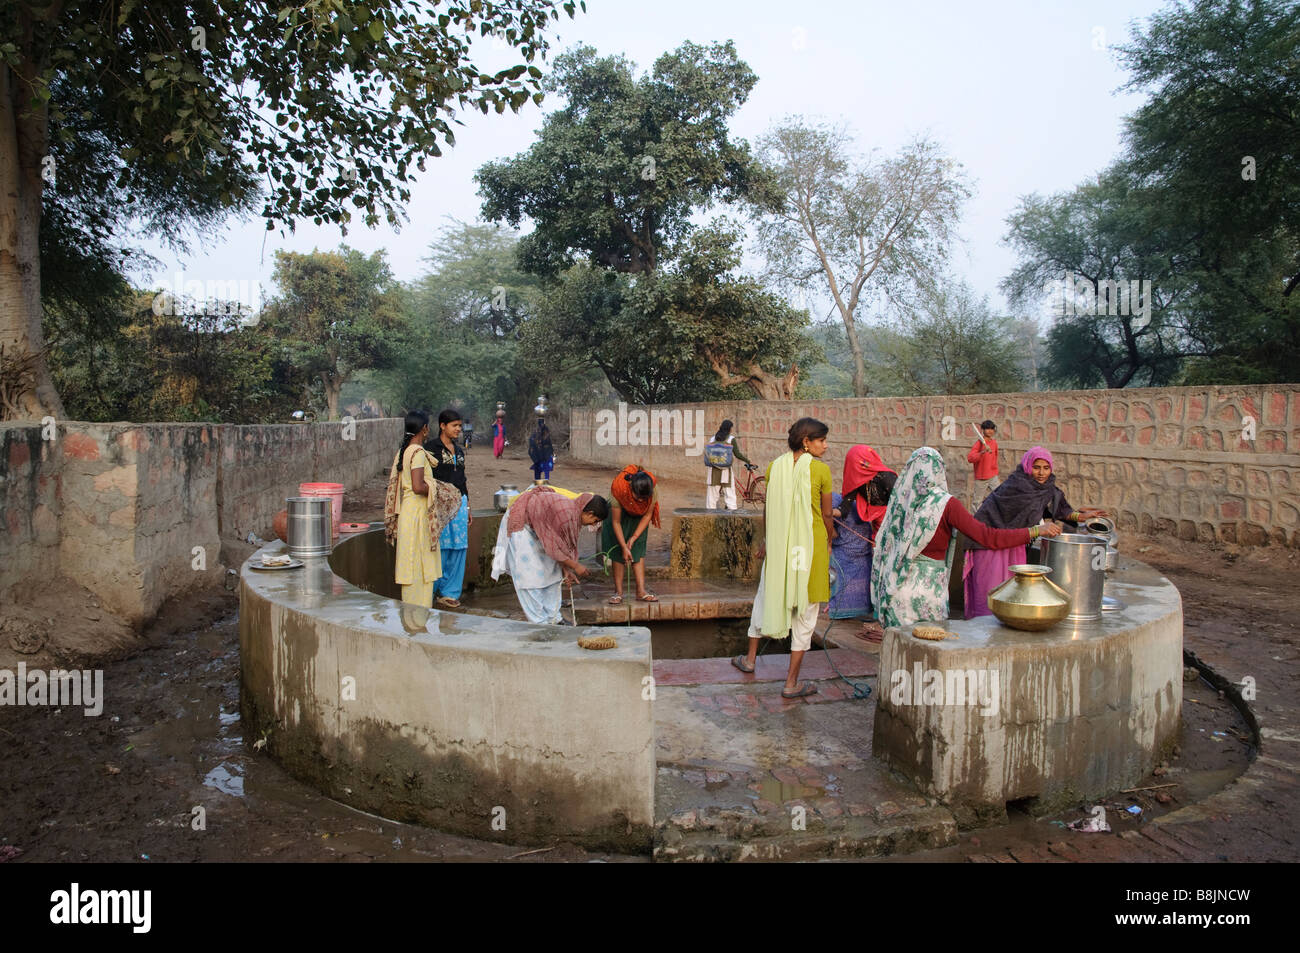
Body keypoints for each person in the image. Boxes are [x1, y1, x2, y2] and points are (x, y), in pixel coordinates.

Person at [870, 447, 1061, 630]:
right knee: (927, 650)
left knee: (898, 654)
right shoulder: (946, 504)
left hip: (895, 590)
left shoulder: (901, 503)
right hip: (927, 595)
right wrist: (1035, 531)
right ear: (939, 471)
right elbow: (986, 537)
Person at [731, 417, 835, 699]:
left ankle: (750, 660)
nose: (825, 446)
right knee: (805, 612)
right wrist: (832, 534)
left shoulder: (775, 466)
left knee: (766, 598)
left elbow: (768, 510)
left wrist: (768, 539)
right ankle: (791, 683)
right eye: (821, 440)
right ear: (806, 442)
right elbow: (826, 514)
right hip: (809, 550)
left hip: (779, 549)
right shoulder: (821, 471)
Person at [964, 446, 1109, 619]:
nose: (1041, 473)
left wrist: (1081, 516)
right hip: (990, 545)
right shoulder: (1015, 487)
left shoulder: (1048, 489)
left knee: (1013, 595)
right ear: (1027, 466)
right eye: (1036, 467)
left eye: (1046, 468)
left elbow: (1060, 510)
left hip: (1015, 545)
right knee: (990, 595)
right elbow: (998, 521)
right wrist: (1037, 530)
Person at [490, 486, 609, 624]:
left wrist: (566, 569)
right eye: (595, 521)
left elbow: (559, 546)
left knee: (553, 574)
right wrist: (575, 566)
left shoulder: (574, 514)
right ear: (589, 513)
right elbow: (554, 548)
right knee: (530, 578)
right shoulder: (566, 515)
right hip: (522, 526)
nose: (593, 525)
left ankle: (554, 618)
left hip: (538, 529)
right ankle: (539, 622)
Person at [828, 445, 896, 621]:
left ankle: (889, 614)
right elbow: (843, 509)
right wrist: (826, 512)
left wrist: (887, 536)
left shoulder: (888, 477)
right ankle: (878, 612)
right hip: (875, 526)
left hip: (891, 525)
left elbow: (899, 509)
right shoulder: (857, 481)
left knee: (889, 568)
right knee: (877, 567)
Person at [386, 411, 442, 606]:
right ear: (424, 428)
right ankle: (418, 616)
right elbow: (418, 487)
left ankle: (412, 618)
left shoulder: (406, 450)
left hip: (409, 511)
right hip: (417, 512)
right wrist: (438, 489)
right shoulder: (417, 452)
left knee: (411, 561)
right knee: (419, 563)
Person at [424, 408, 473, 609]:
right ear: (442, 426)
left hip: (459, 504)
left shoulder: (459, 451)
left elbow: (462, 479)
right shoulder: (430, 448)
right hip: (440, 505)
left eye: (460, 426)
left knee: (459, 547)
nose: (458, 430)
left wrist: (468, 505)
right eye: (454, 425)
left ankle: (450, 592)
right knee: (441, 547)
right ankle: (433, 589)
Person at [602, 465, 661, 604]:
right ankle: (618, 592)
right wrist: (623, 546)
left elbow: (647, 516)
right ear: (631, 489)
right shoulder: (619, 489)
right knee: (618, 551)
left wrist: (634, 538)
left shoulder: (652, 489)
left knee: (638, 550)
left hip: (639, 517)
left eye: (644, 498)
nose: (641, 501)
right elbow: (616, 522)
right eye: (638, 497)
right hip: (618, 517)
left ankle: (641, 591)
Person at [704, 419, 754, 510]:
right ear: (729, 429)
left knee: (711, 496)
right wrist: (748, 461)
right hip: (726, 471)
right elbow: (737, 454)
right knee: (730, 495)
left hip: (713, 470)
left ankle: (709, 517)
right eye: (731, 428)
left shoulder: (712, 438)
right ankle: (732, 517)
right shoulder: (731, 439)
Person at [968, 419, 1000, 509]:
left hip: (993, 476)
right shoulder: (978, 443)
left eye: (992, 429)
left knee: (1000, 495)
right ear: (983, 430)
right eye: (987, 429)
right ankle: (976, 521)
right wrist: (982, 452)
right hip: (981, 477)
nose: (990, 431)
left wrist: (995, 470)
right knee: (976, 502)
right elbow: (970, 458)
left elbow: (995, 457)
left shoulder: (994, 443)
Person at [529, 418, 555, 484]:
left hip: (539, 453)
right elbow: (548, 441)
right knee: (546, 467)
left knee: (539, 467)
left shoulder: (536, 431)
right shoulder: (545, 430)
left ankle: (538, 481)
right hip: (545, 453)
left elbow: (532, 441)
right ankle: (545, 480)